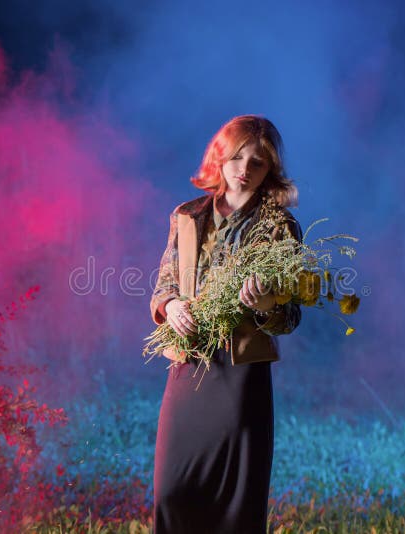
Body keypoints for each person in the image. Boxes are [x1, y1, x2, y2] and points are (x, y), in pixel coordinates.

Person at [149, 115, 302, 533]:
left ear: (270, 169)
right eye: (237, 158)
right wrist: (172, 305)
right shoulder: (186, 216)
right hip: (188, 363)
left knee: (236, 504)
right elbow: (163, 285)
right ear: (220, 156)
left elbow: (289, 317)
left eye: (257, 163)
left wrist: (263, 305)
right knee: (171, 494)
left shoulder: (279, 227)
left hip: (240, 378)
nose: (244, 170)